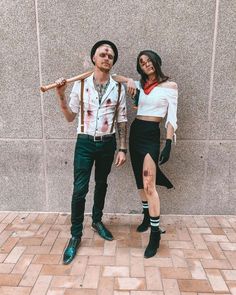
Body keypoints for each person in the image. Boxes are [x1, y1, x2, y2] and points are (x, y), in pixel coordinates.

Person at [55, 40, 128, 264]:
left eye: (110, 56)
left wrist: (122, 147)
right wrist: (60, 95)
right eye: (103, 54)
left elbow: (122, 119)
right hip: (85, 142)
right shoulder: (80, 84)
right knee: (79, 189)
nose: (107, 58)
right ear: (94, 59)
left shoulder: (118, 87)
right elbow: (70, 117)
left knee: (102, 183)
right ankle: (75, 235)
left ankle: (97, 220)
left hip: (107, 143)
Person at [114, 50, 177, 258]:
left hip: (151, 134)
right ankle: (146, 217)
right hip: (136, 132)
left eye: (149, 60)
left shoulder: (170, 86)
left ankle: (155, 234)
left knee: (149, 183)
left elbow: (171, 118)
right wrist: (130, 80)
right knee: (140, 182)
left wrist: (168, 142)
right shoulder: (139, 86)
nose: (146, 64)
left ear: (157, 62)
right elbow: (114, 76)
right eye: (142, 62)